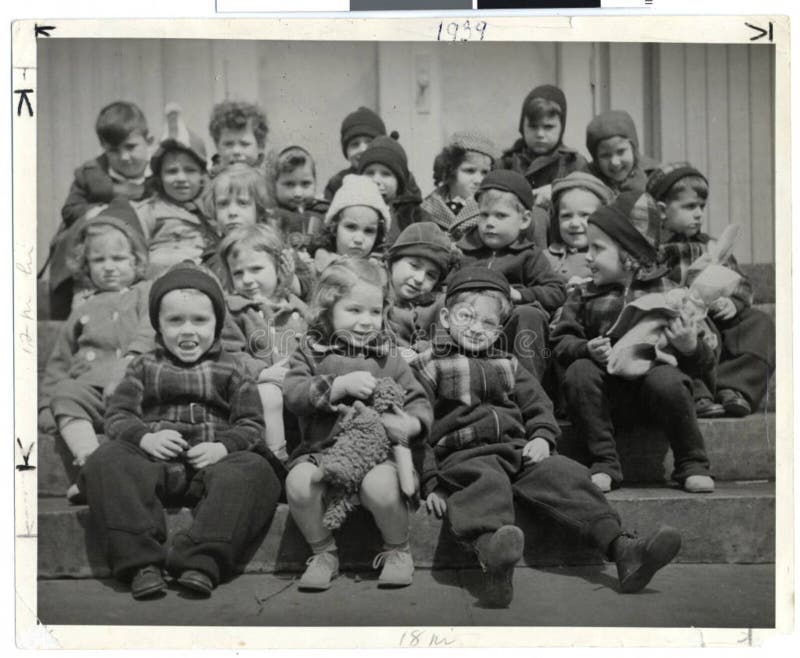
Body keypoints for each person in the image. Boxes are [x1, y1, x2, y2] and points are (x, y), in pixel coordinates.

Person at [414, 266, 682, 608]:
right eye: (467, 316)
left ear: (499, 331)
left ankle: (623, 550)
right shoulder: (427, 366)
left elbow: (538, 404)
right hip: (466, 456)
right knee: (487, 483)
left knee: (565, 473)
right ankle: (494, 559)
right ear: (447, 317)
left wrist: (541, 436)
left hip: (516, 450)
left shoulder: (508, 364)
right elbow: (416, 428)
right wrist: (431, 480)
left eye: (488, 323)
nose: (476, 329)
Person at [78, 262, 282, 599]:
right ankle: (140, 562)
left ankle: (200, 560)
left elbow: (251, 424)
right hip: (153, 463)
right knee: (107, 459)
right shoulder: (144, 366)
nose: (188, 331)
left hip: (212, 464)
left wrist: (224, 447)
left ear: (217, 324)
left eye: (200, 320)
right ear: (158, 324)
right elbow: (117, 416)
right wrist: (145, 438)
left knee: (257, 470)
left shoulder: (233, 367)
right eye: (175, 321)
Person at [283, 257, 433, 591]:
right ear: (327, 310)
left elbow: (417, 398)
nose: (366, 322)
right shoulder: (311, 352)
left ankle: (397, 550)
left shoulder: (388, 356)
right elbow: (293, 393)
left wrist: (412, 423)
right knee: (298, 482)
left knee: (380, 486)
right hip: (322, 454)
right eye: (354, 311)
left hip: (378, 457)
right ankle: (323, 552)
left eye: (374, 312)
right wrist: (336, 386)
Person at [551, 191, 716, 494]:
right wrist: (585, 348)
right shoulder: (584, 294)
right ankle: (604, 462)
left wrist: (688, 344)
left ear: (629, 255)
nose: (587, 256)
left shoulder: (671, 293)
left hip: (655, 398)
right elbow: (561, 339)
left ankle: (691, 462)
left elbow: (705, 361)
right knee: (579, 372)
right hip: (607, 400)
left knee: (667, 378)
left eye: (597, 248)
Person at [38, 201, 151, 496]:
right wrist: (48, 406)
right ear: (86, 266)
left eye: (118, 258)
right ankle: (90, 461)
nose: (109, 266)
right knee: (65, 391)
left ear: (136, 261)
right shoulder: (83, 308)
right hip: (89, 393)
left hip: (131, 390)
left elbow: (150, 330)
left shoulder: (143, 294)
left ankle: (127, 475)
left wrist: (131, 361)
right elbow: (59, 361)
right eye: (99, 260)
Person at [648, 162, 776, 418]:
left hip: (719, 318)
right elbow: (651, 289)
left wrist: (734, 302)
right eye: (689, 207)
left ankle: (732, 387)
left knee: (760, 321)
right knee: (677, 331)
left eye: (701, 207)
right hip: (685, 324)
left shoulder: (711, 246)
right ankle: (698, 393)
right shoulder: (654, 251)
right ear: (662, 210)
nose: (699, 214)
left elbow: (741, 282)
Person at [47, 101, 154, 319]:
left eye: (131, 147)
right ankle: (74, 314)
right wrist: (101, 212)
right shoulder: (91, 174)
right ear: (104, 149)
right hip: (103, 244)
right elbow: (70, 209)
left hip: (144, 244)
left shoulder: (161, 171)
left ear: (148, 141)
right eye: (114, 151)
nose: (124, 157)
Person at [457, 170, 566, 380]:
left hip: (510, 328)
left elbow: (556, 291)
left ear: (524, 220)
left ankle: (527, 388)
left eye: (500, 215)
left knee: (529, 315)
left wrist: (520, 295)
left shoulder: (528, 255)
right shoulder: (465, 252)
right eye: (484, 214)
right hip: (470, 326)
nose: (490, 222)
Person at [217, 224, 310, 462]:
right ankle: (277, 458)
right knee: (269, 394)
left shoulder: (297, 308)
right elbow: (230, 353)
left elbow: (315, 342)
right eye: (238, 273)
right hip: (258, 385)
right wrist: (264, 372)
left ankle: (311, 452)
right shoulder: (236, 311)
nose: (247, 280)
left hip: (297, 380)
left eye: (256, 269)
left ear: (279, 267)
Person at [133, 110, 216, 278]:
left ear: (202, 174)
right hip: (162, 278)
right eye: (171, 171)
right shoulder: (151, 210)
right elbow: (135, 253)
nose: (181, 178)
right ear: (159, 177)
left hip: (206, 277)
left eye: (190, 170)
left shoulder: (212, 208)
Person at [499, 84, 588, 208]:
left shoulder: (574, 163)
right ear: (522, 127)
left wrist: (556, 190)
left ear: (561, 127)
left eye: (548, 127)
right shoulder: (506, 163)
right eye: (533, 126)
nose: (540, 134)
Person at [385, 222, 461, 357]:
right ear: (393, 261)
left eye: (431, 275)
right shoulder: (374, 290)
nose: (419, 279)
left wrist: (420, 350)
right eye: (414, 266)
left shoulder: (437, 305)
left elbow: (445, 343)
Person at [323, 106, 423, 203]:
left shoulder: (403, 178)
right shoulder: (339, 182)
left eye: (369, 142)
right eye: (354, 144)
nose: (362, 149)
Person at [545, 172, 615, 291]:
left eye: (584, 215)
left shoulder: (611, 258)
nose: (575, 224)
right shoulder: (546, 258)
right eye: (566, 216)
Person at [421, 131, 499, 239]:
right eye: (470, 171)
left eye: (485, 172)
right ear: (451, 170)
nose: (479, 180)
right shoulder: (428, 207)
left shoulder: (492, 207)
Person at [310, 174, 392, 275]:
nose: (359, 239)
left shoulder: (377, 272)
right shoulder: (322, 265)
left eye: (369, 231)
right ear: (334, 227)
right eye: (351, 227)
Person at [358, 135, 429, 246]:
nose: (376, 180)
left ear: (399, 182)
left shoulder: (416, 216)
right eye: (369, 173)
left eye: (386, 174)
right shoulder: (349, 208)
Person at [265, 145, 330, 243]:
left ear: (315, 183)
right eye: (289, 184)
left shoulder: (324, 213)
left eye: (305, 184)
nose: (298, 193)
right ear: (275, 185)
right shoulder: (270, 215)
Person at [583, 110, 658, 193]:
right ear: (596, 158)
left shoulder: (654, 175)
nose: (615, 162)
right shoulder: (586, 182)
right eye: (605, 155)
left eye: (621, 151)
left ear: (633, 149)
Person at [207, 99, 269, 174]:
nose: (236, 151)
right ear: (217, 147)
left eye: (244, 144)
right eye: (228, 144)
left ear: (260, 145)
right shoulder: (210, 181)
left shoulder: (270, 181)